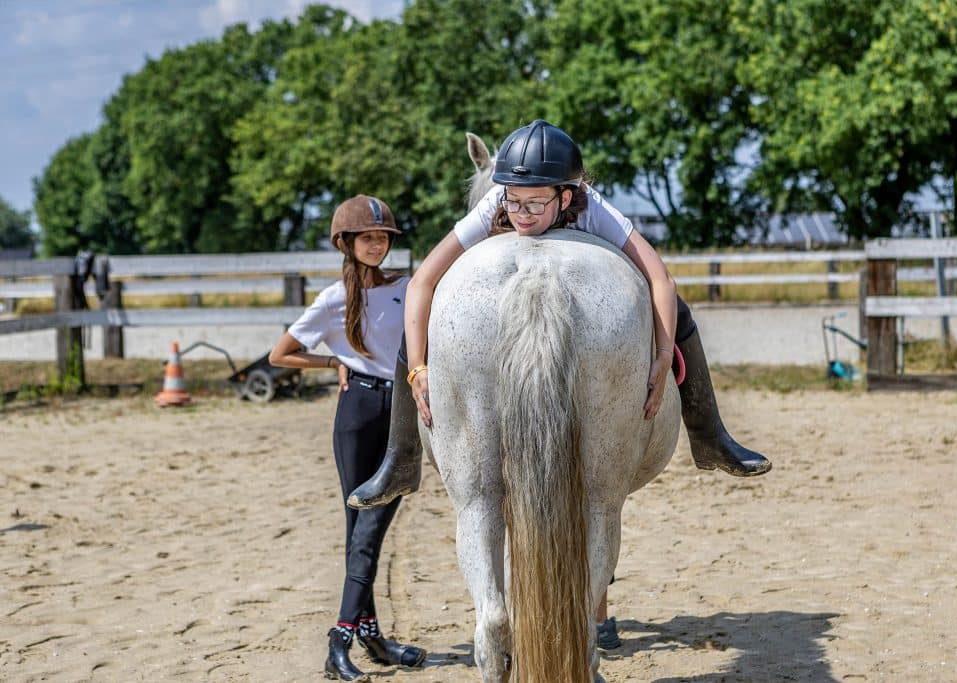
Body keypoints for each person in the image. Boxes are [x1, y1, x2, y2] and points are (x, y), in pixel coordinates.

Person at [349, 119, 771, 513]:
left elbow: (661, 280)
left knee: (677, 312)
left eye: (535, 203)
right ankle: (401, 457)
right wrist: (419, 367)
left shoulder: (595, 208)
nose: (521, 214)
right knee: (423, 324)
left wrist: (662, 354)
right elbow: (423, 282)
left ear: (566, 196)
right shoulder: (498, 199)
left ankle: (710, 434)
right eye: (515, 202)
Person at [269, 195, 426, 681]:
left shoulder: (410, 287)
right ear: (347, 243)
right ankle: (344, 638)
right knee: (361, 529)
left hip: (401, 410)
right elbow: (281, 354)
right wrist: (333, 362)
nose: (378, 245)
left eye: (383, 237)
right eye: (368, 238)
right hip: (357, 412)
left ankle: (368, 635)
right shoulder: (334, 299)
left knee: (369, 530)